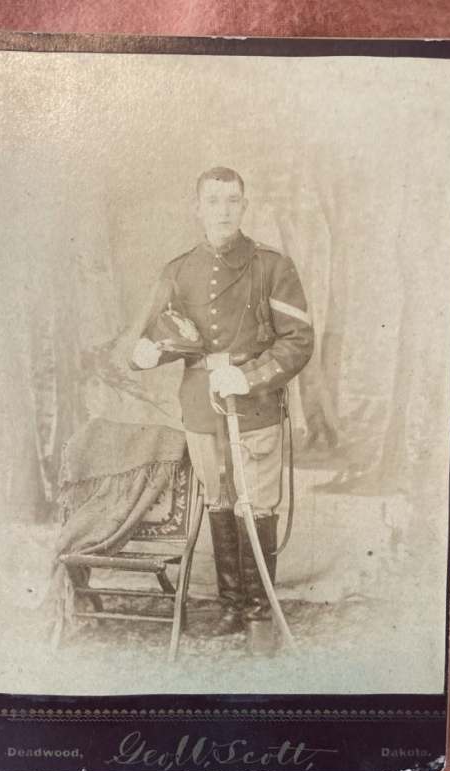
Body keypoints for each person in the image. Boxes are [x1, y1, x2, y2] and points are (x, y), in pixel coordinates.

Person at [130, 166, 314, 653]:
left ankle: (259, 615)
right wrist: (149, 351)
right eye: (213, 201)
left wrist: (250, 376)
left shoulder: (271, 266)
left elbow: (298, 340)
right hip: (201, 407)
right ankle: (232, 607)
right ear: (198, 208)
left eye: (232, 200)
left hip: (254, 407)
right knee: (219, 501)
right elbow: (166, 333)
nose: (223, 210)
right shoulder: (179, 270)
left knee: (257, 503)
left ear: (244, 206)